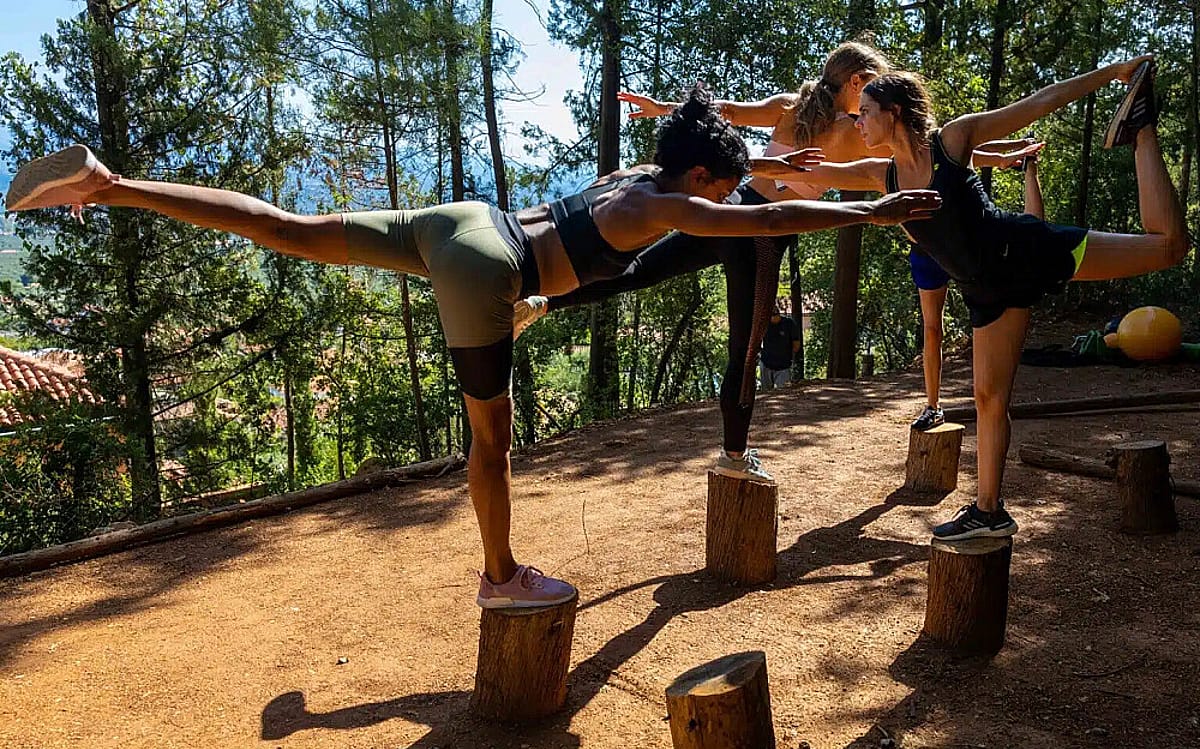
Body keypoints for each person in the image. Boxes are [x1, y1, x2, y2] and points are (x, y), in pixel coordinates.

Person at [5, 84, 940, 606]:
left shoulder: (635, 176)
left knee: (289, 226)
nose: (732, 197)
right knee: (488, 444)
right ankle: (500, 577)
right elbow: (780, 218)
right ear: (699, 176)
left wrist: (769, 161)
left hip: (463, 219)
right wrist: (881, 204)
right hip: (492, 271)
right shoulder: (671, 203)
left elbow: (736, 171)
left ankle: (111, 182)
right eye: (726, 184)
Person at [770, 57, 1188, 541]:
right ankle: (990, 512)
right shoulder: (879, 175)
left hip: (1027, 252)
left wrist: (1111, 73)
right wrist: (754, 174)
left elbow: (1039, 102)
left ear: (896, 112)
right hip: (986, 293)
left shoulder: (952, 141)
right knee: (989, 399)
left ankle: (1142, 130)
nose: (857, 122)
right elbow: (815, 178)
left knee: (1169, 247)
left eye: (864, 112)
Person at [514, 42, 894, 483]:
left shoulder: (793, 105)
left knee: (637, 271)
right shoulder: (856, 133)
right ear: (857, 82)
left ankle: (543, 302)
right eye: (872, 89)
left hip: (724, 211)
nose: (872, 104)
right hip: (761, 238)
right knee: (745, 354)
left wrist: (664, 110)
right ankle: (735, 457)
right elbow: (910, 152)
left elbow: (725, 111)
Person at [909, 139, 1047, 432]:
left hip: (964, 245)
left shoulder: (937, 144)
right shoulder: (889, 160)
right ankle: (933, 406)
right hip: (927, 251)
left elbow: (972, 148)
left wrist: (1010, 154)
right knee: (932, 328)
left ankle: (993, 396)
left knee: (988, 310)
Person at [759, 299, 801, 390]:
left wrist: (789, 356)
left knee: (784, 392)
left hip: (783, 366)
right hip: (766, 364)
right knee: (766, 392)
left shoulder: (788, 324)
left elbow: (796, 344)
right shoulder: (764, 325)